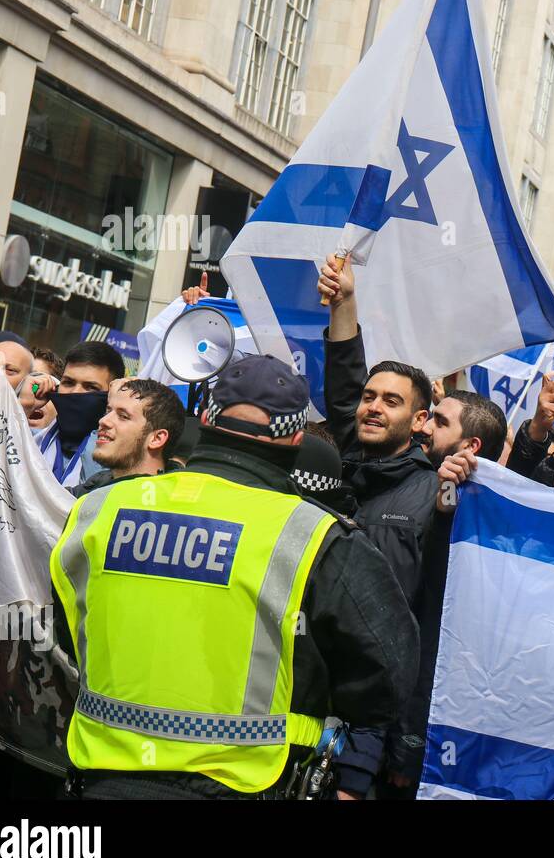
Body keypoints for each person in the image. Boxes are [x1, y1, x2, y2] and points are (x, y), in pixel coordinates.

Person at [50, 354, 419, 799]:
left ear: (204, 417)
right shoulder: (313, 535)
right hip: (242, 784)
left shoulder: (99, 509)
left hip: (100, 781)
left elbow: (69, 629)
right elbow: (388, 677)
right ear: (297, 438)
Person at [379, 390, 509, 797]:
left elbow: (438, 627)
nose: (424, 426)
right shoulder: (409, 482)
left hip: (425, 733)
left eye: (439, 421)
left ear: (470, 447)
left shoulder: (485, 516)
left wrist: (409, 742)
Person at [317, 255, 439, 606]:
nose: (374, 407)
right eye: (368, 397)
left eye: (391, 401)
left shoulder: (432, 493)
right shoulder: (340, 463)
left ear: (418, 420)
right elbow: (343, 375)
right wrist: (343, 301)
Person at [32, 341, 126, 488]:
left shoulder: (123, 464)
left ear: (110, 395)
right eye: (68, 383)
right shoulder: (31, 442)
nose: (75, 392)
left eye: (90, 387)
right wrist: (23, 404)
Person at [71, 379, 187, 497]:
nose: (103, 421)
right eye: (108, 411)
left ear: (156, 439)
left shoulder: (175, 504)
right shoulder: (92, 488)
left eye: (123, 416)